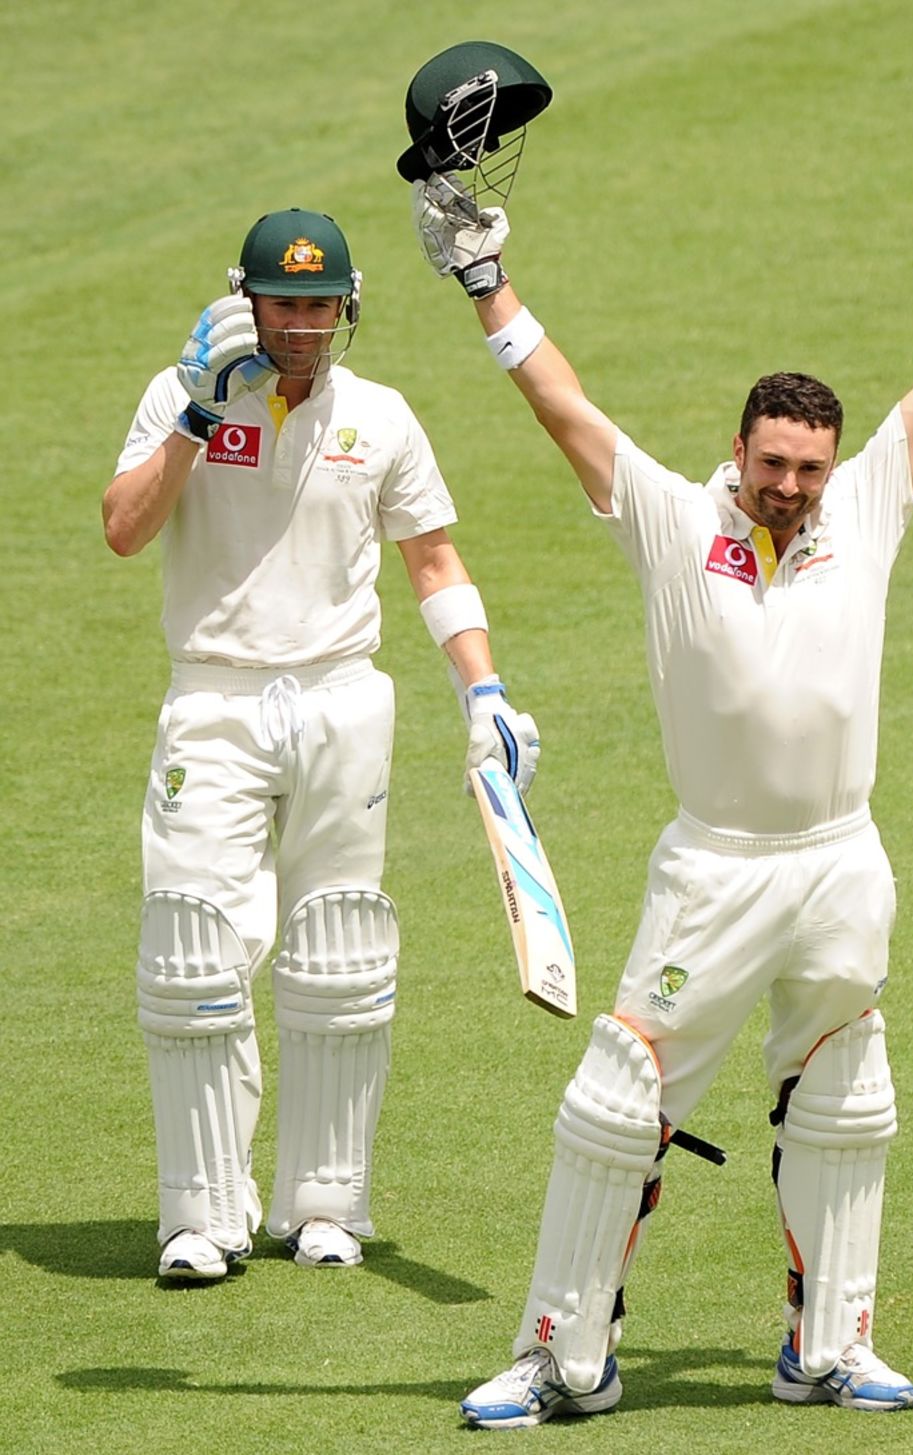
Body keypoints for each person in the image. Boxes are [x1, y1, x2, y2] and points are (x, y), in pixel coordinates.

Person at [408, 135, 913, 1426]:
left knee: (846, 1092)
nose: (791, 486)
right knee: (618, 1095)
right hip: (713, 862)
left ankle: (828, 1345)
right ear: (739, 451)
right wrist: (484, 281)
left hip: (840, 856)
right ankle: (563, 1355)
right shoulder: (676, 521)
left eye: (809, 468)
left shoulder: (863, 511)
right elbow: (566, 405)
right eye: (774, 463)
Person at [103, 207, 539, 1282]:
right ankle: (202, 1217)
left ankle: (324, 1206)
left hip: (344, 700)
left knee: (340, 952)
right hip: (215, 700)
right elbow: (123, 526)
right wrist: (198, 420)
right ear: (244, 299)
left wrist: (483, 688)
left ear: (348, 306)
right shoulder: (180, 394)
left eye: (321, 304)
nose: (304, 325)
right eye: (286, 303)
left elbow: (433, 560)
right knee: (194, 949)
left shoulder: (380, 416)